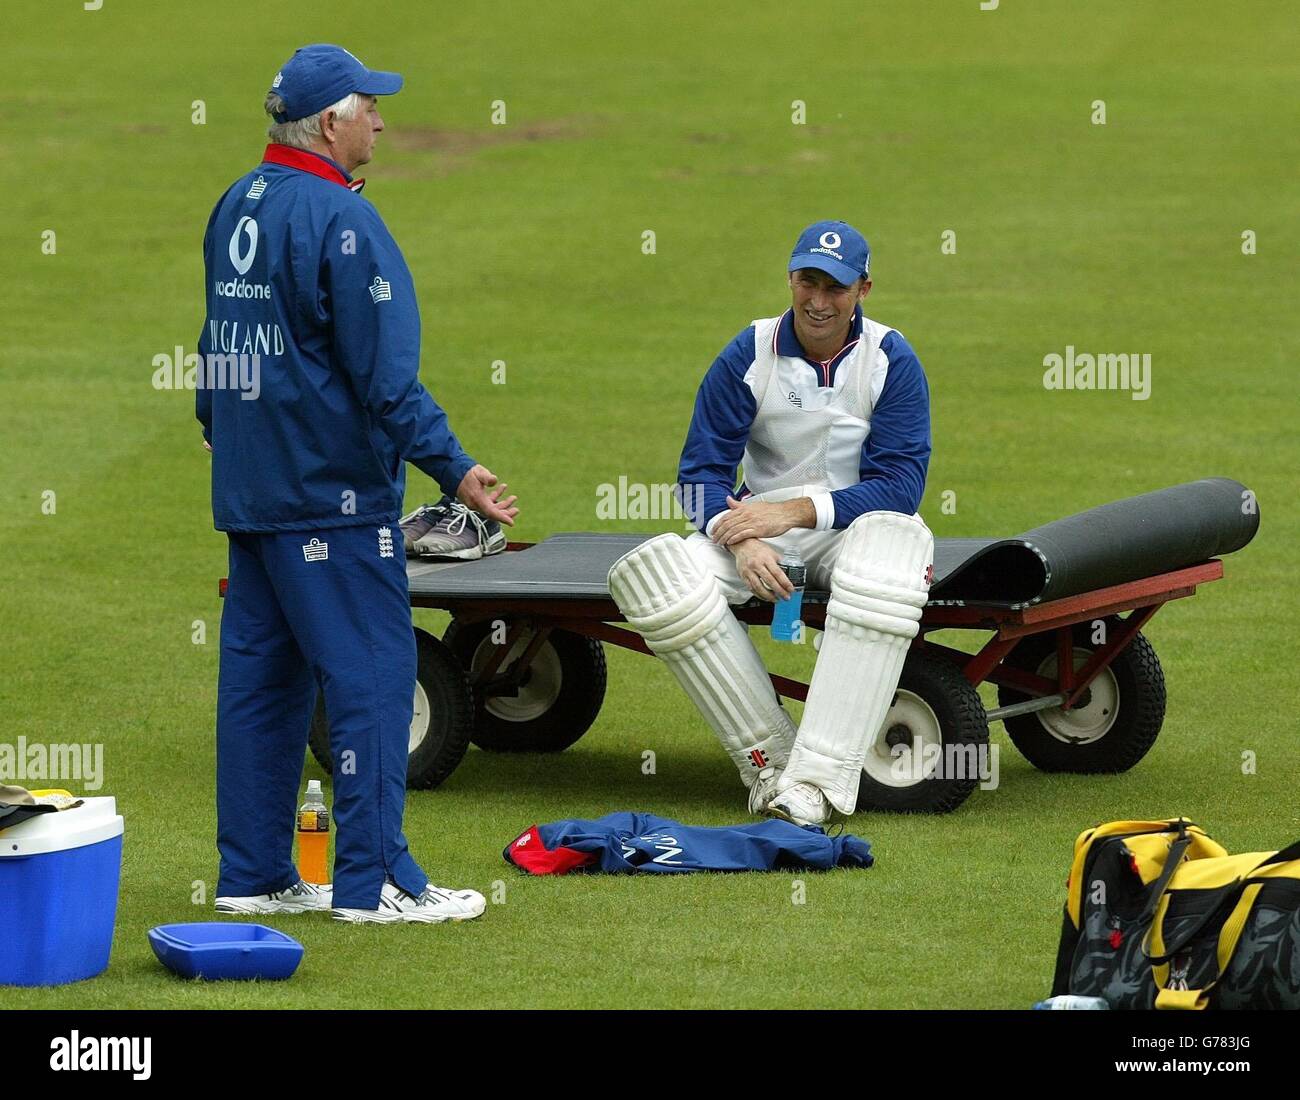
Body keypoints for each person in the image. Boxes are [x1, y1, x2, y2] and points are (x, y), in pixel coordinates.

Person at [197, 44, 518, 923]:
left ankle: (255, 875)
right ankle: (375, 881)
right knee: (374, 679)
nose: (381, 118)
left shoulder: (239, 203)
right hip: (331, 502)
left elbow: (214, 356)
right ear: (329, 122)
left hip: (254, 496)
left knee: (264, 688)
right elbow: (383, 381)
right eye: (368, 105)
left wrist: (235, 446)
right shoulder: (343, 222)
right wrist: (456, 468)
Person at [608, 221, 933, 826]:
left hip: (851, 532)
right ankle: (771, 764)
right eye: (807, 281)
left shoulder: (890, 357)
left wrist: (790, 511)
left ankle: (818, 782)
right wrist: (747, 540)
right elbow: (700, 472)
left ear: (863, 289)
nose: (817, 300)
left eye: (835, 287)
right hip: (759, 535)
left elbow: (900, 485)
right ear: (790, 278)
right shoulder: (750, 351)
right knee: (654, 576)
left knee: (894, 548)